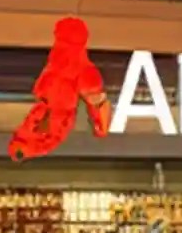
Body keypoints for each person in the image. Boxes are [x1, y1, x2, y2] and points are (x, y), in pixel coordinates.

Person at [9, 16, 112, 163]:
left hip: (55, 109)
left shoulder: (61, 66)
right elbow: (97, 102)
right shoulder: (78, 69)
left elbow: (97, 102)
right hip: (56, 110)